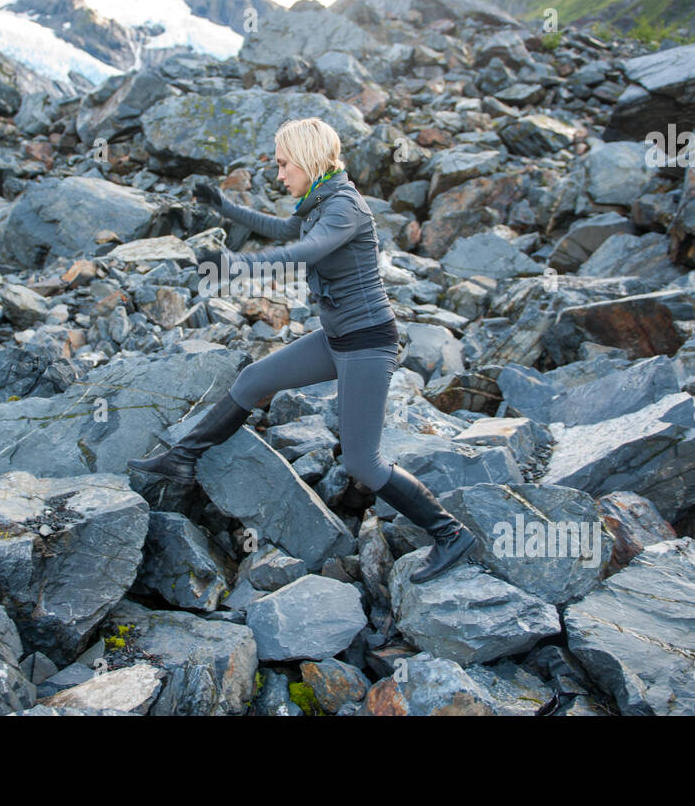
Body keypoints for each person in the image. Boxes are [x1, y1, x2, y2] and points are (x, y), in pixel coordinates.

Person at [128, 116, 476, 584]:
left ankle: (451, 534)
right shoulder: (320, 199)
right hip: (336, 340)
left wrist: (236, 264)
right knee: (253, 380)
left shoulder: (344, 207)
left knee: (362, 462)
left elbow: (304, 253)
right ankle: (183, 458)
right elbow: (282, 230)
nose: (279, 175)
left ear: (309, 159)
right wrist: (225, 206)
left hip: (367, 345)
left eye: (284, 164)